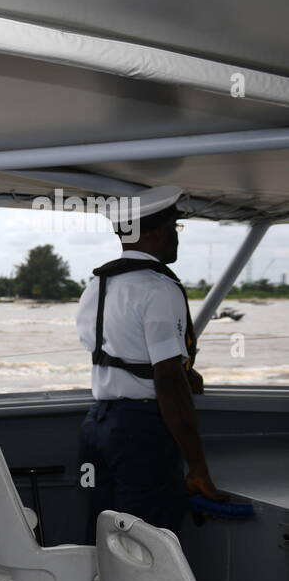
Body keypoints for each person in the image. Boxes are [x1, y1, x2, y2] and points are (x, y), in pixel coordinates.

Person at [76, 184, 228, 535]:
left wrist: (178, 374)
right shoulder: (158, 289)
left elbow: (118, 354)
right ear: (158, 232)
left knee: (103, 532)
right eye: (175, 229)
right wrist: (198, 467)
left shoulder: (96, 286)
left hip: (96, 426)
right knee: (146, 543)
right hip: (141, 430)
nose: (176, 238)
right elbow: (167, 379)